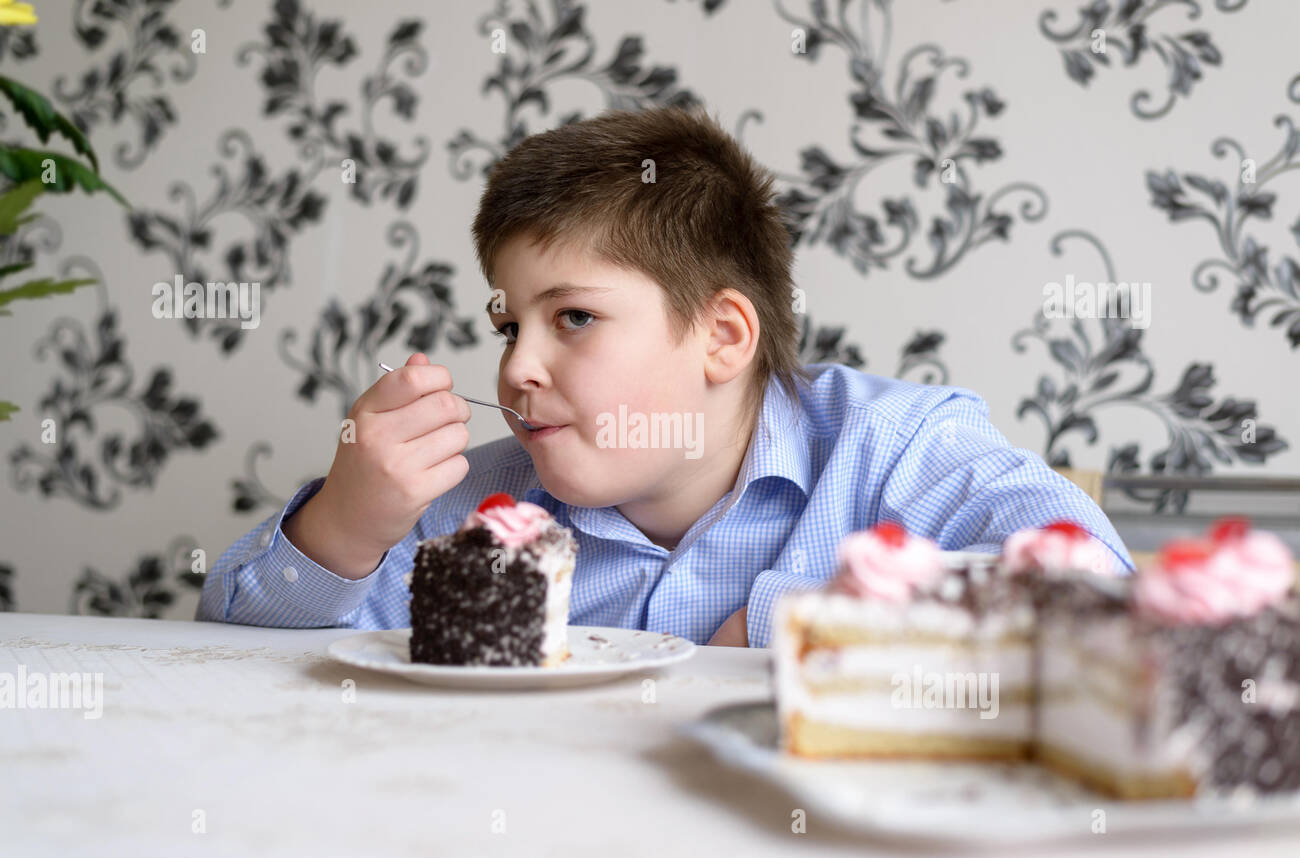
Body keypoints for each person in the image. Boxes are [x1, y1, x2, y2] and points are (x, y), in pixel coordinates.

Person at [197, 105, 1132, 647]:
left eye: (574, 318)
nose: (519, 366)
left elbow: (1096, 590)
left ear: (724, 336)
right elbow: (239, 673)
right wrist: (348, 526)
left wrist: (766, 629)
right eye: (507, 322)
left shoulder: (897, 450)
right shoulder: (471, 513)